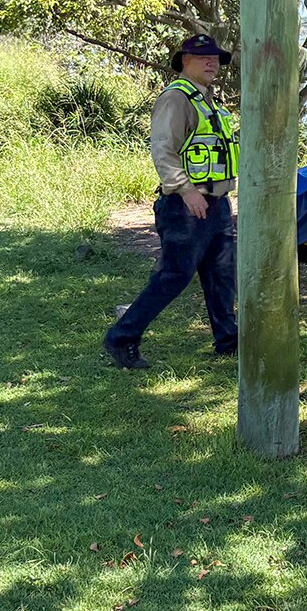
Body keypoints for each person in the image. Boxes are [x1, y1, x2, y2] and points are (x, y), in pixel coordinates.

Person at [103, 33, 240, 369]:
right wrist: (186, 189)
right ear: (184, 61)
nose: (212, 62)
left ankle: (229, 342)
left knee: (221, 274)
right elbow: (163, 150)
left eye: (216, 58)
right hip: (187, 206)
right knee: (174, 276)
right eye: (203, 57)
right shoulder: (176, 98)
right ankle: (122, 337)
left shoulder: (206, 99)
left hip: (217, 203)